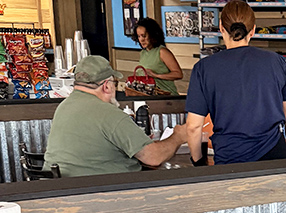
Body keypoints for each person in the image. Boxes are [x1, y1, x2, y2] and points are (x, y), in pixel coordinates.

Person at [185, 0, 286, 165]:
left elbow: (193, 127)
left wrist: (198, 162)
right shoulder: (277, 62)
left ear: (221, 28)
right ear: (252, 30)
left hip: (230, 158)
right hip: (274, 154)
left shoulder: (203, 69)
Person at [43, 55, 187, 177]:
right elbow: (153, 157)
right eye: (115, 83)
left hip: (63, 189)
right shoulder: (108, 114)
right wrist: (178, 137)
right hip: (100, 196)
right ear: (106, 85)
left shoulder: (64, 106)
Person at [133, 17, 183, 95]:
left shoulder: (162, 52)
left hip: (166, 97)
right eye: (139, 36)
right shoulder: (143, 53)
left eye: (144, 36)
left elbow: (178, 74)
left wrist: (156, 75)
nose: (141, 39)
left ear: (152, 35)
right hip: (149, 96)